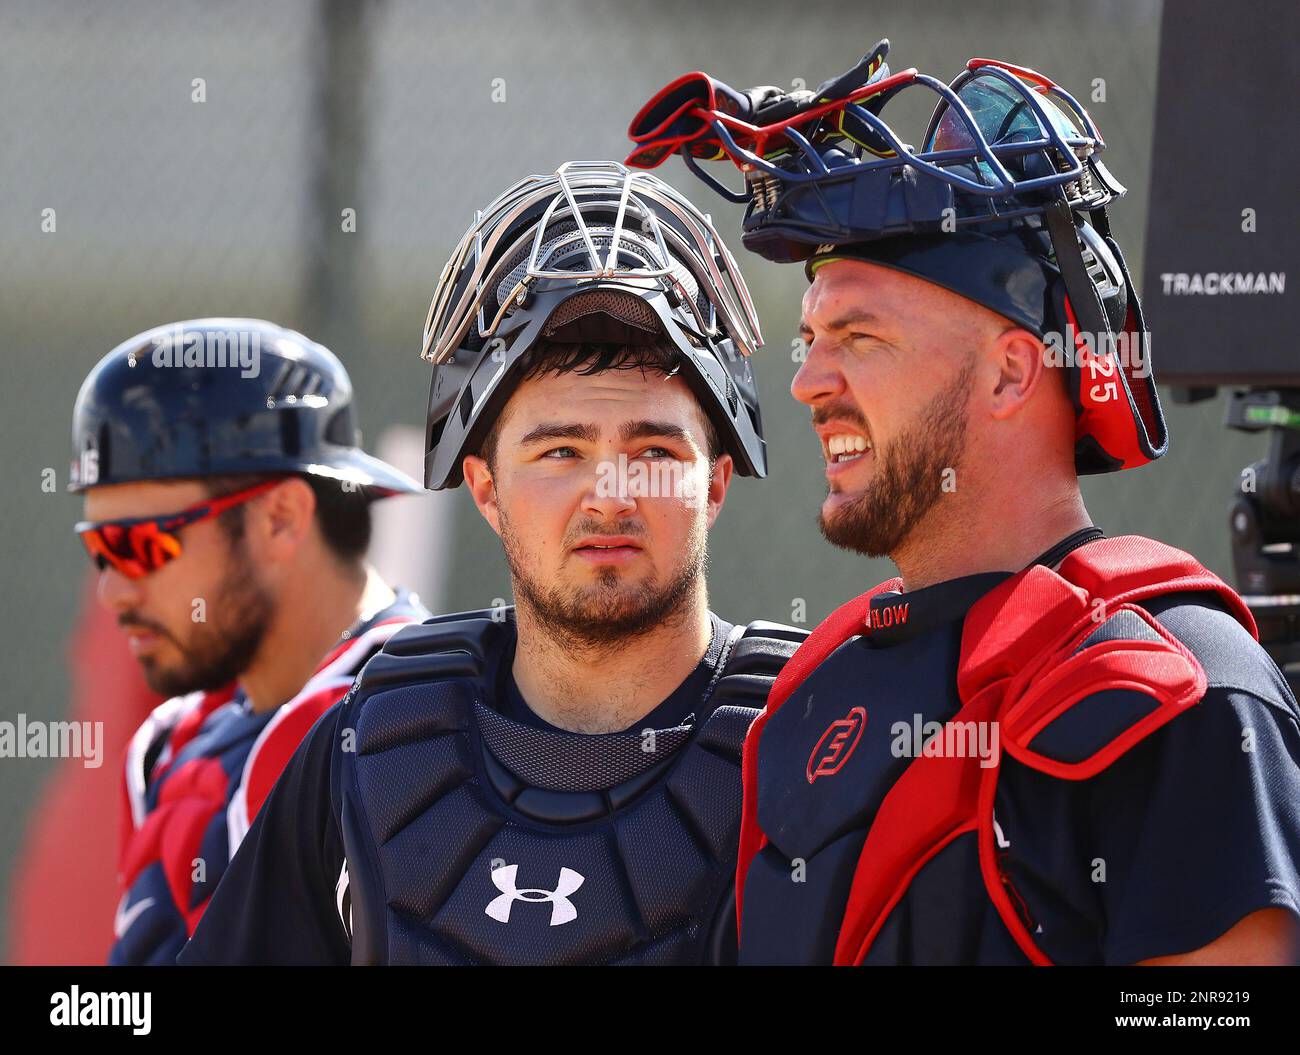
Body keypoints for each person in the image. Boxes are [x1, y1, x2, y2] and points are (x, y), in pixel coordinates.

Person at [629, 42, 1300, 964]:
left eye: (859, 336)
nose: (808, 381)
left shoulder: (1178, 688)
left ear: (1010, 371)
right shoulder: (806, 694)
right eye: (811, 336)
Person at [179, 163, 805, 965]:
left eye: (651, 450)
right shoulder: (365, 754)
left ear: (715, 481)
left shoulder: (813, 747)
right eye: (561, 451)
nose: (608, 497)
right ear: (485, 486)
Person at [70, 318, 430, 965]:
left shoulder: (412, 731)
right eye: (100, 549)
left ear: (282, 518)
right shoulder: (172, 742)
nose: (113, 593)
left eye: (141, 545)